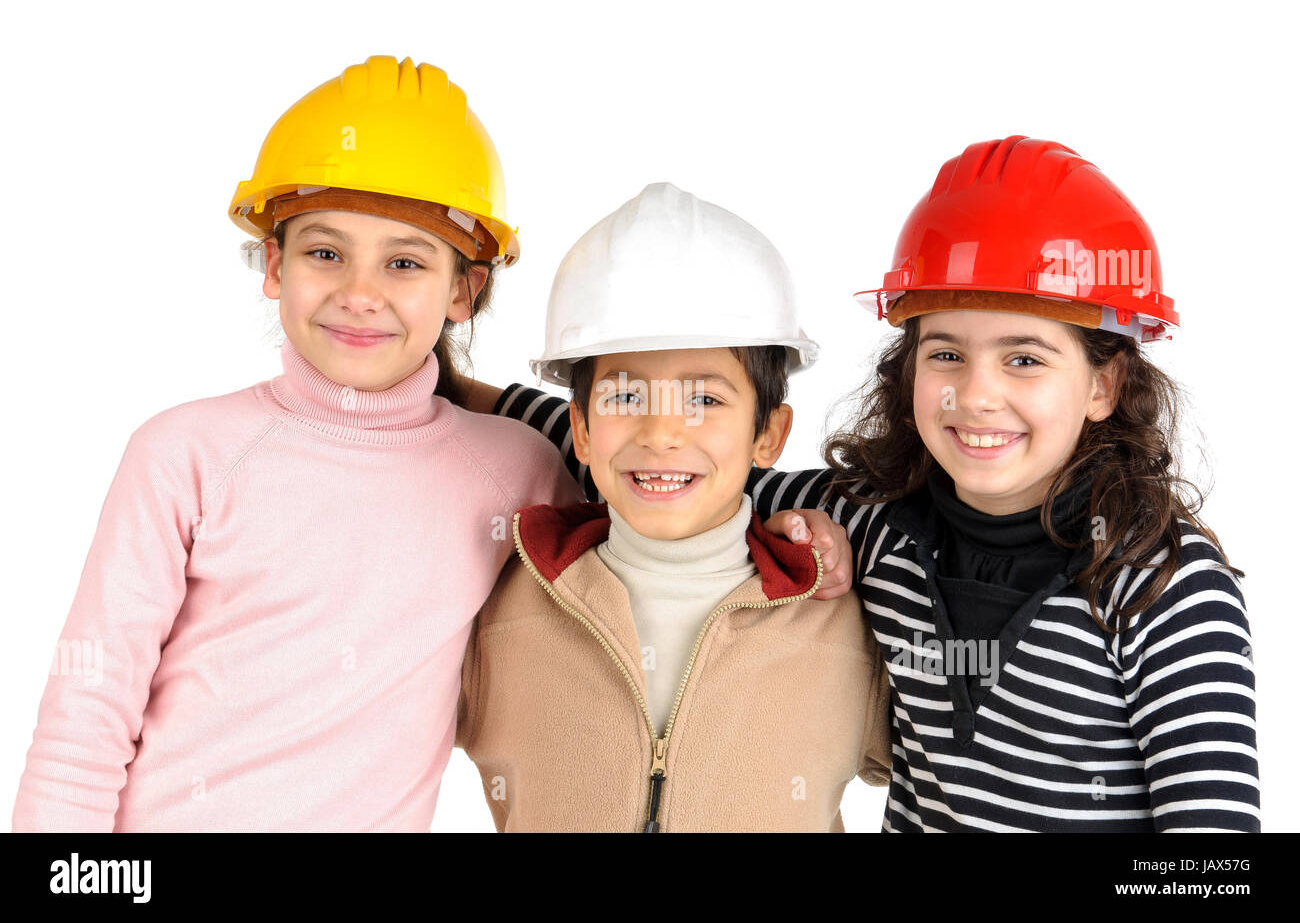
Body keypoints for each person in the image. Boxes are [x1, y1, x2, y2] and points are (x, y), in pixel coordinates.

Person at [483, 139, 1260, 832]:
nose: (978, 393)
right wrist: (444, 388)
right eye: (946, 354)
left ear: (1105, 382)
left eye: (1024, 358)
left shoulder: (1162, 583)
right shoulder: (878, 527)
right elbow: (674, 456)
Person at [12, 56, 579, 831]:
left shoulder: (516, 472)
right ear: (275, 264)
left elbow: (660, 517)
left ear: (462, 291)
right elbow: (89, 703)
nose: (359, 291)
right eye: (324, 251)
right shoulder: (184, 454)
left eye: (405, 261)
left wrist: (802, 530)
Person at [456, 183, 892, 831]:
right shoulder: (496, 610)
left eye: (706, 401)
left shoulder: (845, 626)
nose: (661, 433)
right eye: (625, 397)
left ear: (768, 432)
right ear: (578, 428)